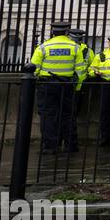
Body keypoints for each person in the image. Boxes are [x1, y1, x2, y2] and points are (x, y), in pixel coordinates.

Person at [30, 20, 85, 154]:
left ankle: (50, 146)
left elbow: (33, 68)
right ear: (67, 32)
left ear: (52, 32)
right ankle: (71, 146)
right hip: (67, 85)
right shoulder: (75, 47)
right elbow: (80, 71)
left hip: (47, 85)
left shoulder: (43, 47)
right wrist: (77, 88)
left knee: (48, 116)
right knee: (68, 115)